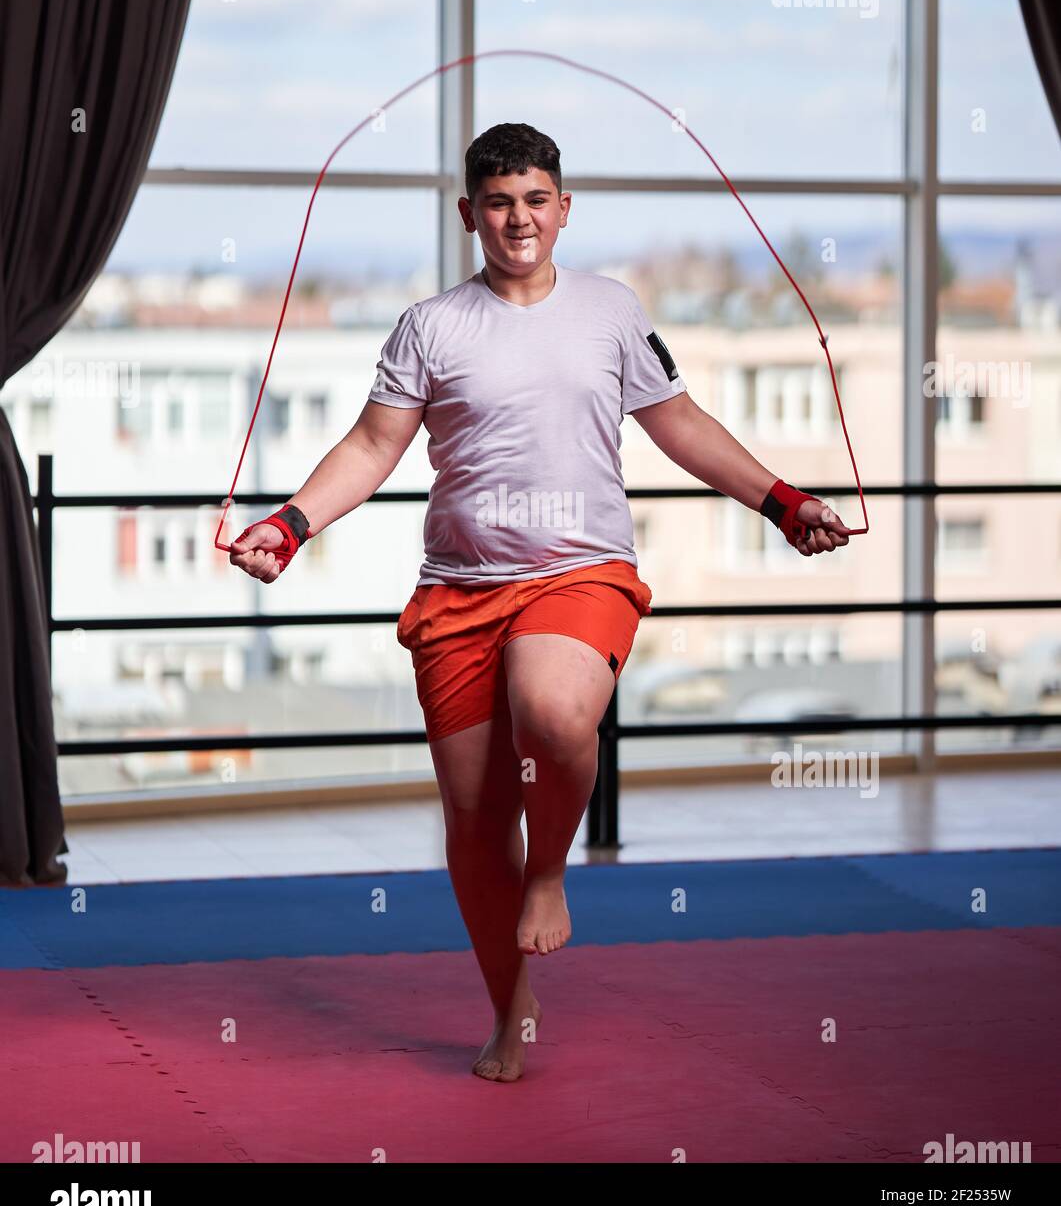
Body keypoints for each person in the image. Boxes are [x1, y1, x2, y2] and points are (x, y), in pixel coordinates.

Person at [230, 122, 856, 1081]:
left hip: (581, 569)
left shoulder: (611, 311)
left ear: (563, 208)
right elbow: (368, 447)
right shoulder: (430, 326)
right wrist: (288, 523)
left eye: (534, 199)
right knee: (477, 827)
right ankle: (509, 1011)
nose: (517, 219)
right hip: (458, 589)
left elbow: (677, 422)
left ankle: (553, 871)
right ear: (468, 215)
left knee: (556, 709)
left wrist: (778, 500)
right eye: (497, 202)